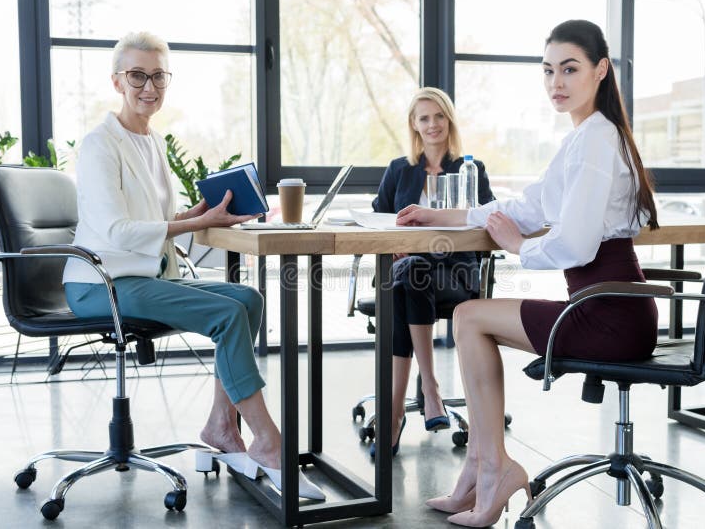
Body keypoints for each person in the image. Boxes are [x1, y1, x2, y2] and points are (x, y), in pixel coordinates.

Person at [396, 20, 659, 526]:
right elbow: (525, 205)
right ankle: (480, 465)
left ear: (601, 71)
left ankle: (491, 466)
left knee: (469, 317)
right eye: (547, 71)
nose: (556, 82)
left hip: (608, 317)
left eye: (570, 69)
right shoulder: (588, 137)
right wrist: (443, 215)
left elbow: (576, 244)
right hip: (609, 306)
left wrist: (519, 249)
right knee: (470, 317)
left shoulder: (597, 141)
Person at [61, 31, 324, 500]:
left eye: (159, 75)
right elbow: (117, 231)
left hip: (140, 276)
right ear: (117, 82)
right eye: (138, 75)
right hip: (101, 281)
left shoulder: (151, 140)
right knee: (226, 314)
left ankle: (222, 424)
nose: (150, 86)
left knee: (245, 299)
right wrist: (194, 223)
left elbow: (158, 221)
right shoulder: (100, 144)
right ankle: (269, 443)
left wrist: (203, 214)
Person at [370, 87, 494, 457]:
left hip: (454, 275)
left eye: (439, 116)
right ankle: (429, 392)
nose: (432, 124)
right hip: (406, 270)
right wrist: (394, 245)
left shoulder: (470, 169)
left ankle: (395, 414)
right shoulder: (399, 170)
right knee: (409, 274)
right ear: (414, 124)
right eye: (424, 118)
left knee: (409, 279)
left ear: (449, 120)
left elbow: (486, 225)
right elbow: (378, 221)